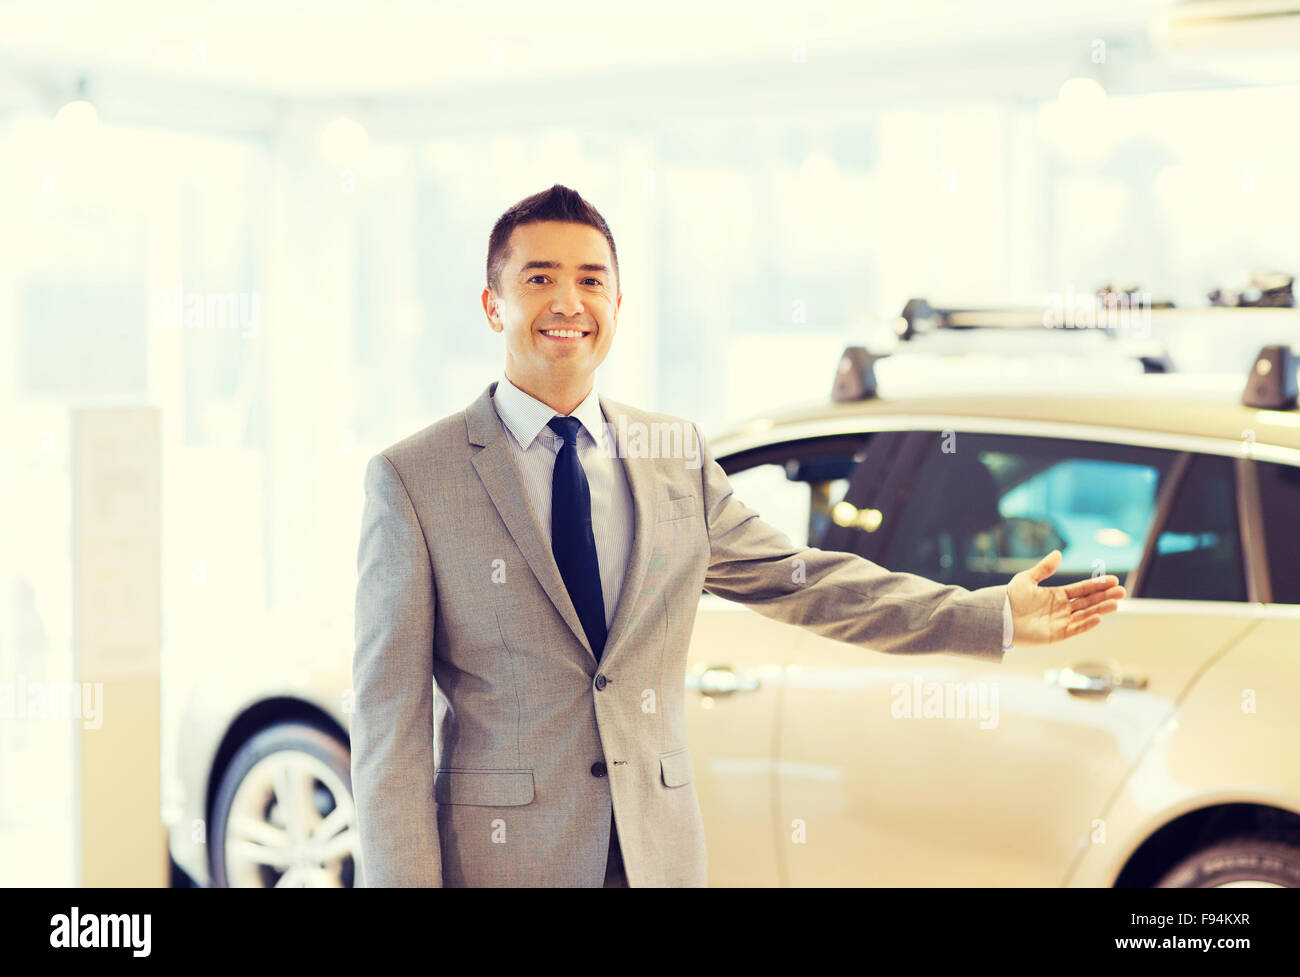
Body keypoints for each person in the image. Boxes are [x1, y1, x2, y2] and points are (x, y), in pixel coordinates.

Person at [350, 184, 1126, 888]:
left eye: (591, 280)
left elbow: (806, 581)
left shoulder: (671, 456)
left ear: (619, 303)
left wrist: (986, 613)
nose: (569, 301)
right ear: (493, 304)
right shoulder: (415, 479)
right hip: (501, 863)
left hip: (656, 854)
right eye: (540, 277)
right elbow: (389, 735)